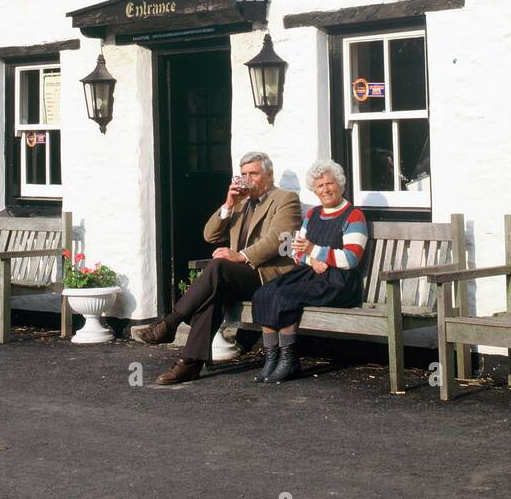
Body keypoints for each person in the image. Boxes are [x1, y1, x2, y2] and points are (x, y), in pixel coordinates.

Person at [136, 150, 300, 385]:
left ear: (269, 174)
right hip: (238, 276)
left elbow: (277, 239)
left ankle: (170, 323)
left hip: (268, 276)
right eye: (243, 174)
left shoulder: (285, 199)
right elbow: (210, 235)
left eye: (253, 173)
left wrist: (240, 256)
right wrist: (229, 204)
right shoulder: (241, 202)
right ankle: (189, 363)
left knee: (219, 266)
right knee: (214, 293)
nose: (247, 179)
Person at [250, 159, 369, 384]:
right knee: (264, 293)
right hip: (311, 274)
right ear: (314, 191)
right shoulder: (312, 215)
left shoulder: (354, 216)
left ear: (340, 184)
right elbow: (296, 252)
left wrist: (316, 251)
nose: (325, 190)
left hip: (339, 281)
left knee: (286, 297)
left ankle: (289, 361)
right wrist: (312, 259)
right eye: (320, 186)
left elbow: (351, 259)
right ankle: (271, 358)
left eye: (329, 183)